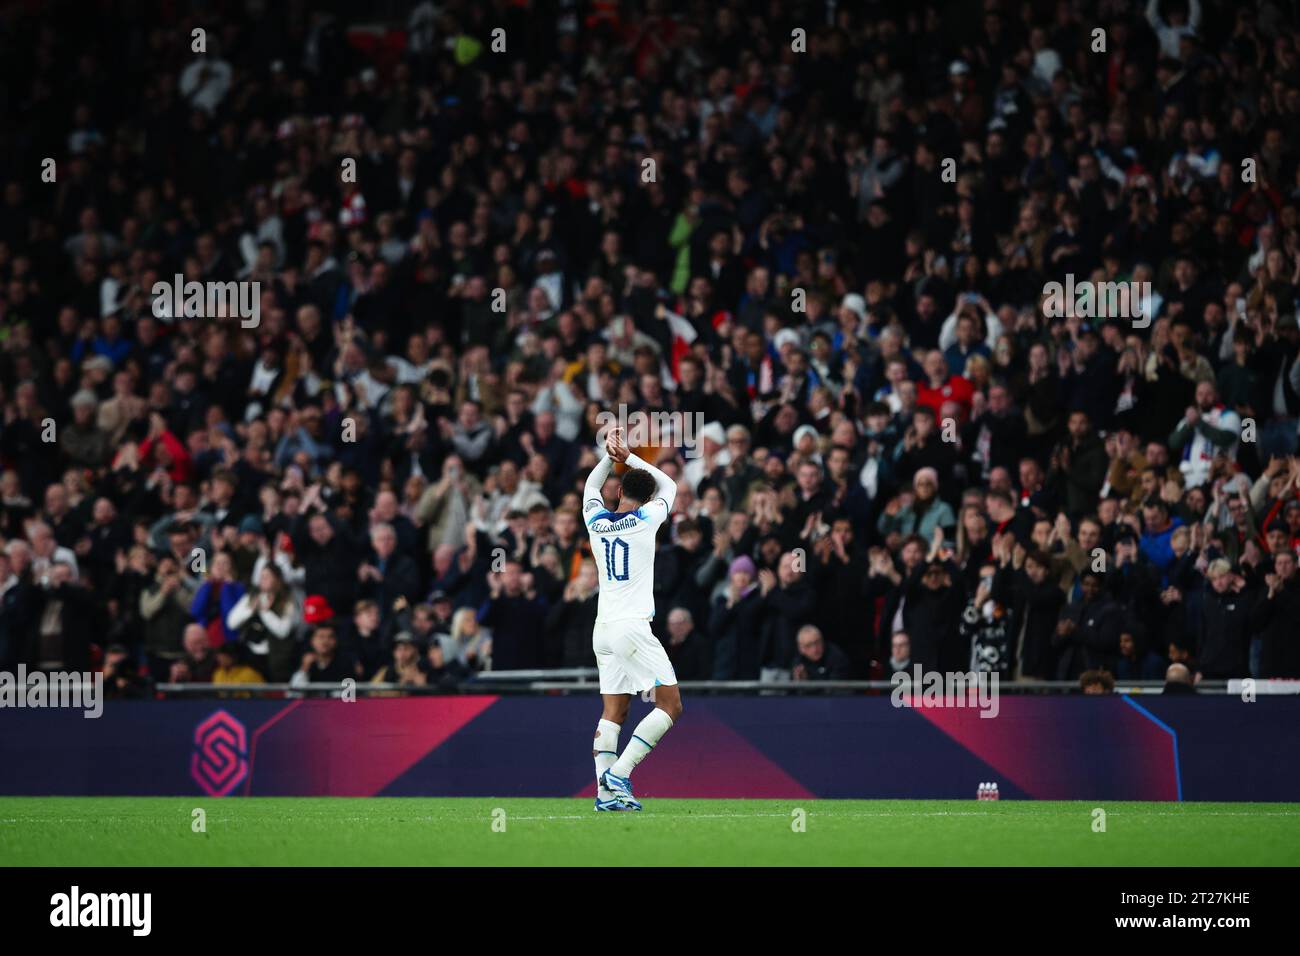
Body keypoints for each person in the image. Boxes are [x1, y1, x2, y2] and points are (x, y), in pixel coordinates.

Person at [584, 426, 680, 812]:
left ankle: (606, 796)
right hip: (632, 627)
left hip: (603, 630)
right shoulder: (648, 519)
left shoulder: (596, 521)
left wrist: (611, 456)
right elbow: (668, 485)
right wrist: (630, 455)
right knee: (670, 705)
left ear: (619, 492)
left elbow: (592, 486)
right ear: (648, 498)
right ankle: (619, 774)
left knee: (615, 711)